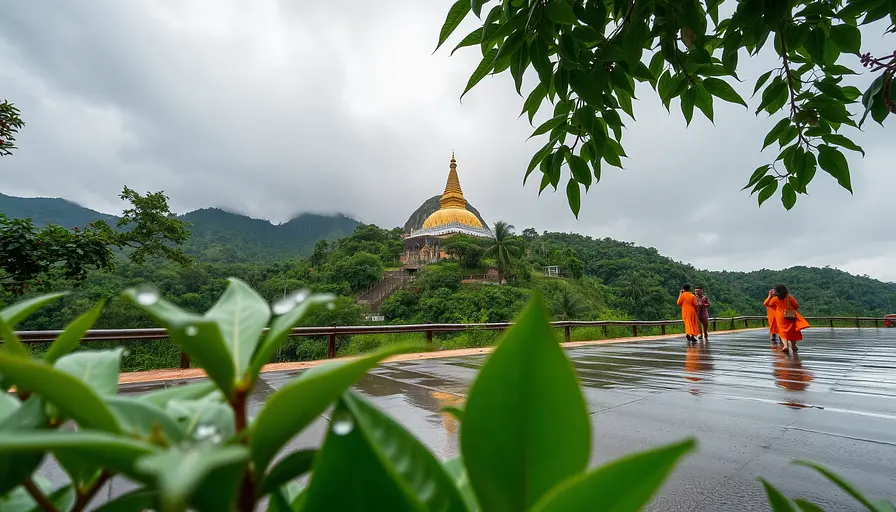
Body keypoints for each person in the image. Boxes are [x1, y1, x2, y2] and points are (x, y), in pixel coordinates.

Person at [763, 284, 810, 353]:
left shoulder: (775, 299)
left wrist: (769, 296)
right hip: (790, 315)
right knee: (793, 331)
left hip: (780, 317)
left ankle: (785, 345)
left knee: (782, 331)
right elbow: (796, 306)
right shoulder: (789, 297)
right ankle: (793, 346)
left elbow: (766, 304)